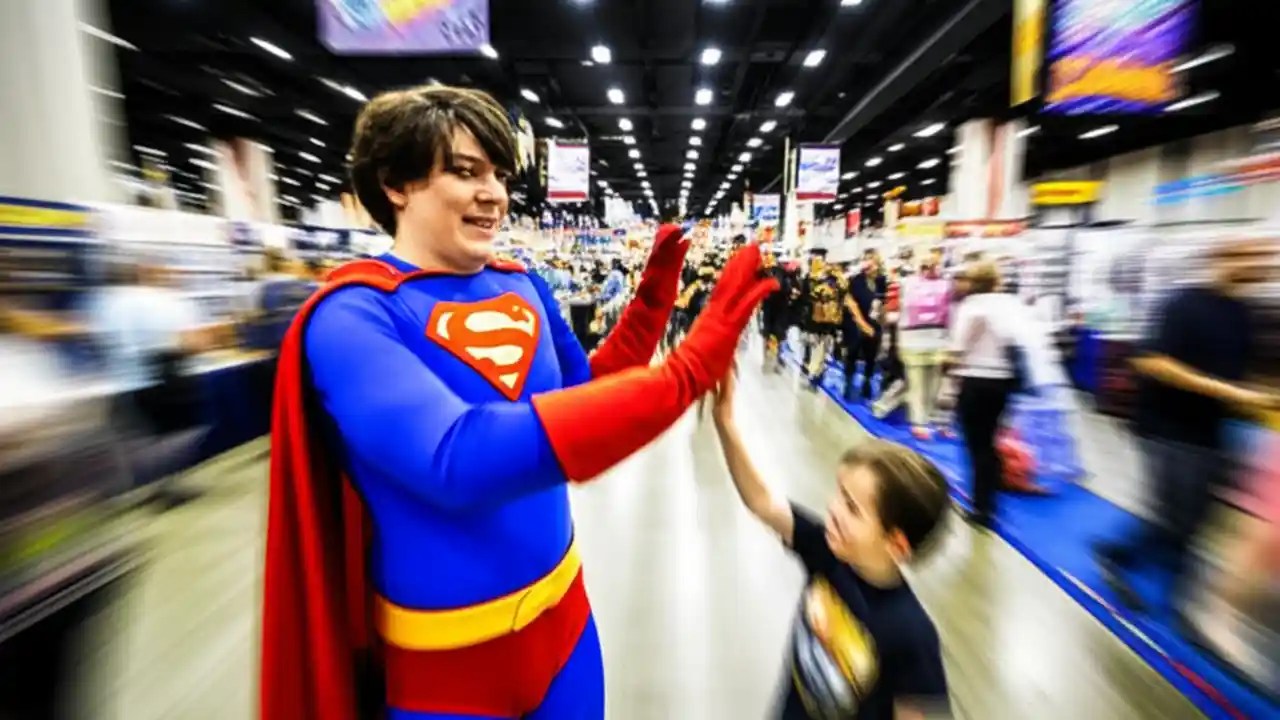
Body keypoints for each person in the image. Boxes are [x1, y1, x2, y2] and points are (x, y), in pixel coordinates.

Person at [260, 83, 777, 720]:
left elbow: (581, 395)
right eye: (464, 171)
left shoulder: (520, 282)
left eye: (499, 174)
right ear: (396, 183)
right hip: (445, 674)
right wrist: (683, 374)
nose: (495, 194)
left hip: (565, 632)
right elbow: (455, 460)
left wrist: (652, 302)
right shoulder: (351, 316)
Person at [711, 369, 951, 720]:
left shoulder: (911, 633)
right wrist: (725, 422)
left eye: (852, 508)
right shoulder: (827, 552)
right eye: (840, 493)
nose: (833, 509)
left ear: (896, 544)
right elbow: (762, 501)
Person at [1095, 239, 1279, 616]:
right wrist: (1227, 391)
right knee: (1175, 515)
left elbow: (1246, 371)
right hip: (1167, 427)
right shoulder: (1182, 304)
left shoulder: (1245, 314)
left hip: (1214, 430)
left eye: (1264, 258)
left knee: (1198, 516)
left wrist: (1257, 398)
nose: (1259, 264)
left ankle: (1177, 590)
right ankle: (1121, 559)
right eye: (1247, 254)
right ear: (1221, 257)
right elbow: (1151, 362)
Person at [947, 261, 1020, 529]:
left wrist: (950, 371)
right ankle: (992, 495)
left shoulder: (972, 306)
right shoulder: (1009, 304)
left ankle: (981, 508)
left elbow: (958, 346)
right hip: (1003, 382)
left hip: (976, 380)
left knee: (976, 444)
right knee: (990, 440)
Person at [842, 250, 885, 402]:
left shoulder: (881, 281)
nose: (869, 263)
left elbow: (884, 303)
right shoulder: (856, 280)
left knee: (871, 357)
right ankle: (848, 384)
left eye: (872, 260)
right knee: (852, 354)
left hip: (874, 325)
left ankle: (866, 383)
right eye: (866, 259)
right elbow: (850, 303)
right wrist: (863, 324)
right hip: (855, 324)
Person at [802, 249, 847, 387]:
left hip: (826, 319)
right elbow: (807, 298)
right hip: (817, 319)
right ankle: (814, 371)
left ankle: (815, 371)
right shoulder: (811, 279)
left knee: (822, 346)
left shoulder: (833, 279)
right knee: (818, 346)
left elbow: (842, 291)